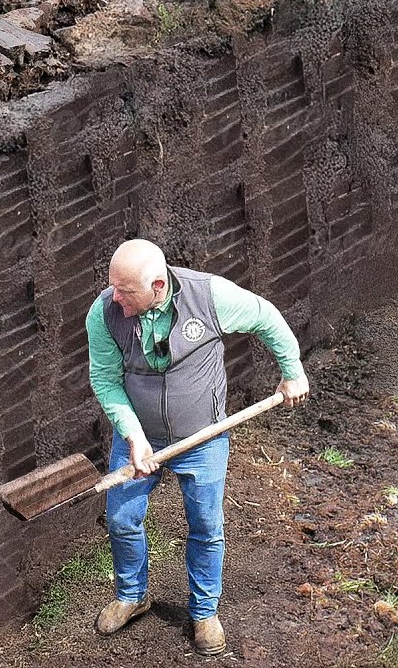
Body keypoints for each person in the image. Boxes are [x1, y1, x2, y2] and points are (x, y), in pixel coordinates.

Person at [85, 239, 309, 656]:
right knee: (121, 519)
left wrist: (292, 371)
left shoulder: (209, 296)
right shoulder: (104, 313)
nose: (114, 297)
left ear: (156, 285)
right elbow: (105, 379)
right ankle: (132, 595)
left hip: (203, 437)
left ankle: (204, 611)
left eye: (124, 290)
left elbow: (266, 317)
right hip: (139, 437)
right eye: (112, 287)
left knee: (206, 524)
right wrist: (134, 437)